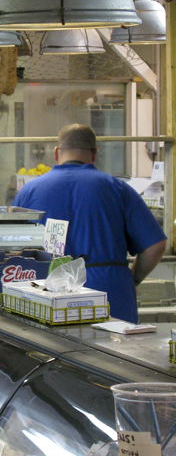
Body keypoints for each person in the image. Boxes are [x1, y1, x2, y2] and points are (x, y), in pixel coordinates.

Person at [12, 123, 166, 324]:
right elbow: (156, 245)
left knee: (47, 351)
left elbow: (10, 247)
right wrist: (134, 278)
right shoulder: (118, 189)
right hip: (108, 291)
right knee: (112, 353)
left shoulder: (28, 191)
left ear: (57, 153)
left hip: (48, 290)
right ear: (94, 154)